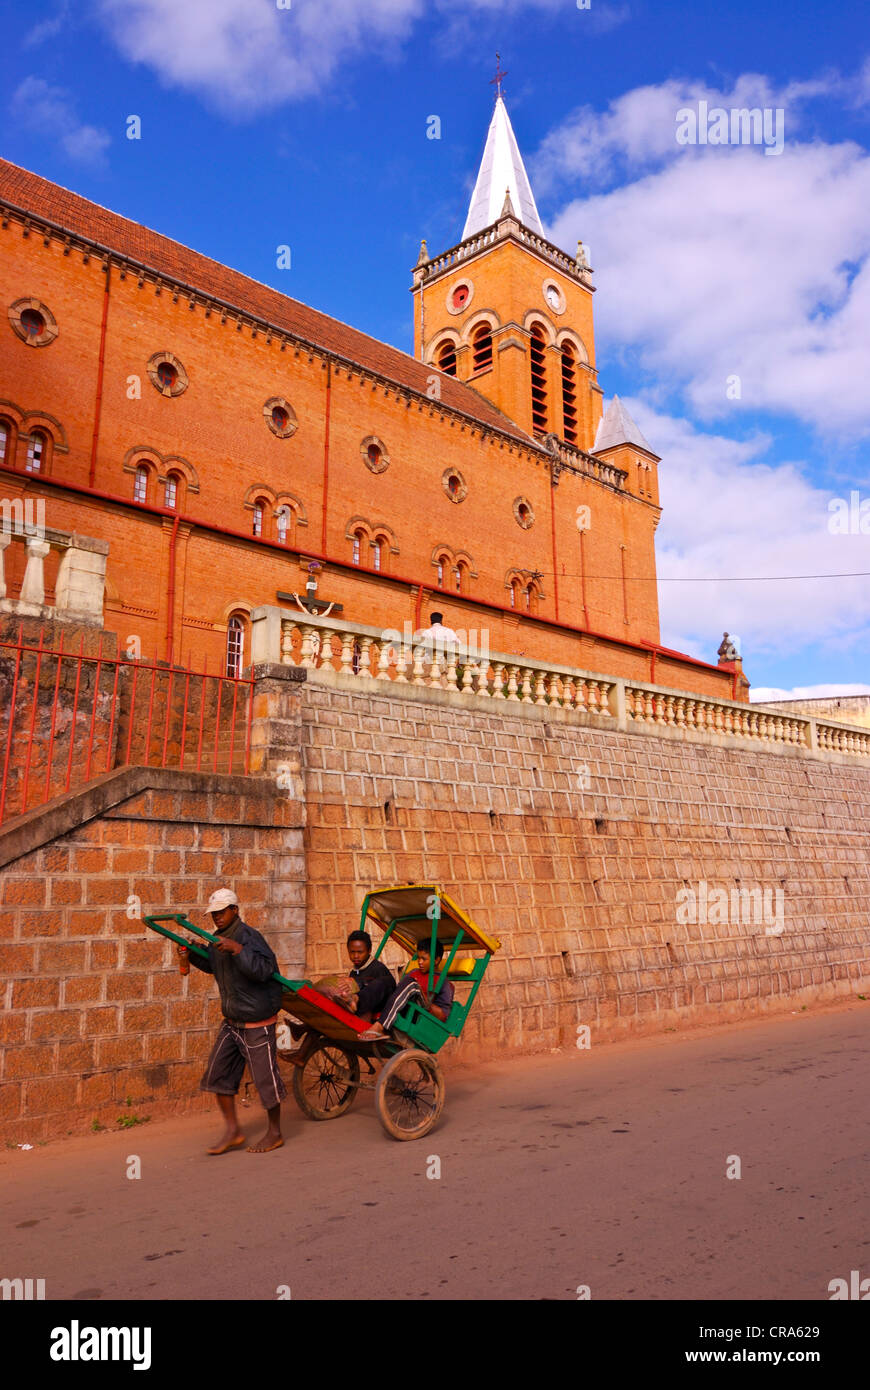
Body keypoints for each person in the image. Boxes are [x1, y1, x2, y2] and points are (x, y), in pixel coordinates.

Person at [177, 887, 286, 1155]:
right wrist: (191, 953)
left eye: (221, 912)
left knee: (265, 1081)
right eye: (213, 914)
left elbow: (265, 970)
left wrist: (238, 950)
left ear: (235, 910)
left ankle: (275, 1133)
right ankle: (233, 1131)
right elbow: (214, 965)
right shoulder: (217, 939)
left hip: (256, 1020)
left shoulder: (249, 937)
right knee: (218, 1075)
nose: (217, 917)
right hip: (233, 1019)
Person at [359, 938, 454, 1040]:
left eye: (424, 959)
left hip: (420, 1013)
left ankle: (380, 1026)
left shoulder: (444, 982)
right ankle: (357, 1010)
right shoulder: (413, 972)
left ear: (436, 960)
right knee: (384, 981)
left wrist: (426, 1000)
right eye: (418, 958)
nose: (420, 962)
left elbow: (443, 1015)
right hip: (402, 1007)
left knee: (412, 984)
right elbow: (399, 992)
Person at [346, 930, 396, 1022]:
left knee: (380, 983)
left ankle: (355, 1000)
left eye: (360, 952)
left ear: (369, 950)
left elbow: (384, 992)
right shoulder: (354, 972)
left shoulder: (378, 968)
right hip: (359, 1009)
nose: (355, 956)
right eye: (352, 952)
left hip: (382, 1010)